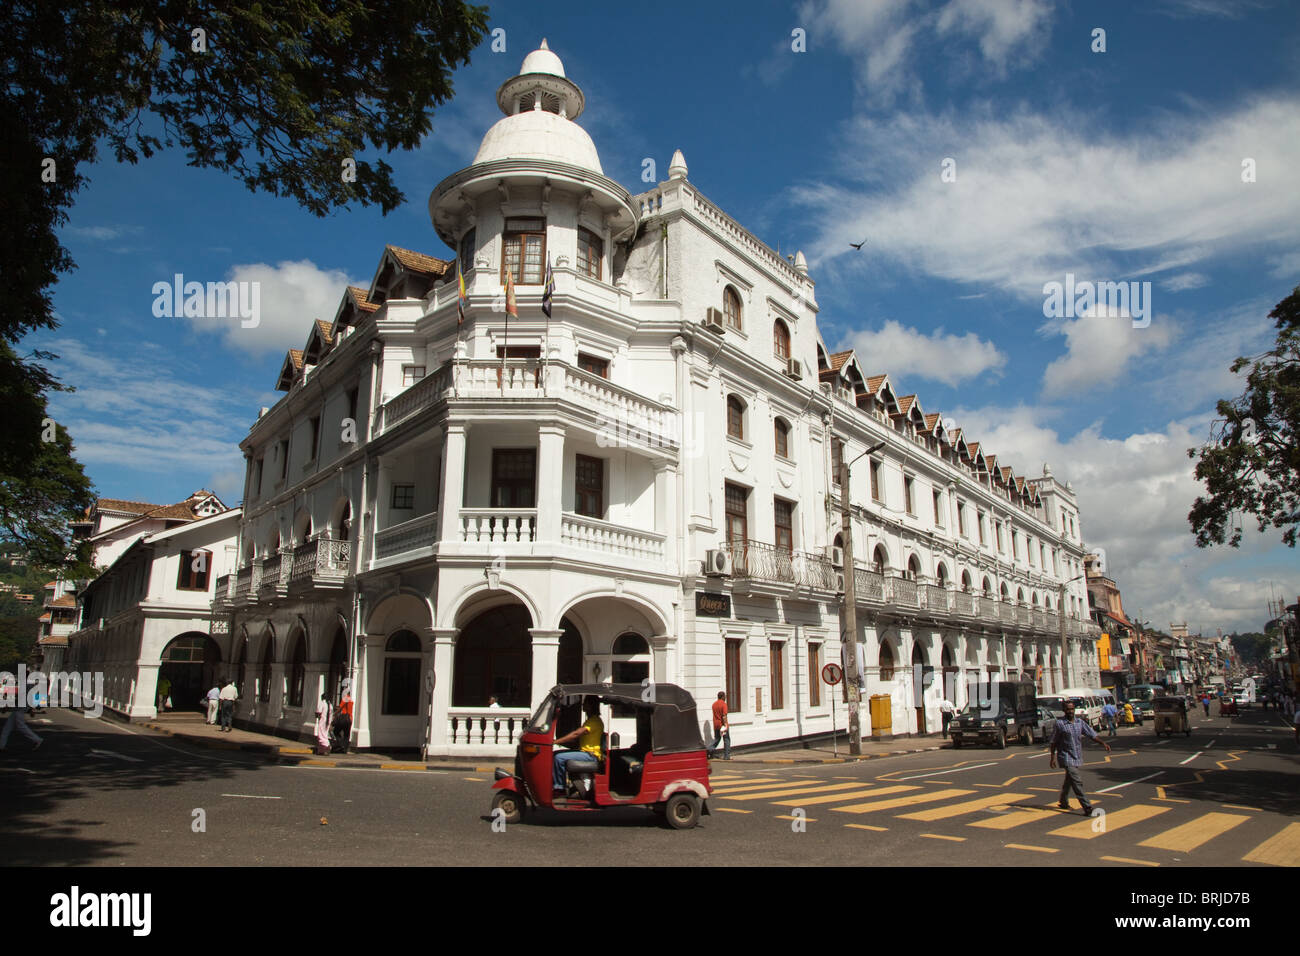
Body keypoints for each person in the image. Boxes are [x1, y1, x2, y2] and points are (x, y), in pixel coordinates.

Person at [1050, 699, 1111, 815]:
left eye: (1072, 709)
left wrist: (1103, 743)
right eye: (1068, 709)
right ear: (1064, 710)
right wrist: (1052, 757)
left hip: (1076, 756)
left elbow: (1091, 734)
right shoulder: (1059, 724)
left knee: (1069, 781)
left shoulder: (1079, 722)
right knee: (1077, 781)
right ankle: (1087, 808)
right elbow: (1053, 741)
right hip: (1066, 756)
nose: (1070, 711)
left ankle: (1063, 801)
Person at [552, 696, 602, 794]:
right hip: (585, 752)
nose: (583, 705)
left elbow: (576, 734)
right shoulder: (590, 720)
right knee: (555, 754)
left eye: (585, 703)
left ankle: (560, 787)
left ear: (591, 706)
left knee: (559, 758)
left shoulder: (594, 721)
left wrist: (556, 741)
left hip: (590, 755)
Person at [707, 691, 730, 760]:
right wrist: (725, 725)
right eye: (725, 696)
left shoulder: (714, 704)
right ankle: (726, 756)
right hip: (722, 725)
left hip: (716, 725)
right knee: (726, 739)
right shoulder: (724, 704)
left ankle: (709, 750)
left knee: (717, 739)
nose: (725, 697)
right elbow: (724, 716)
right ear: (723, 697)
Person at [331, 684, 353, 754]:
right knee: (347, 734)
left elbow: (340, 708)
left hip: (344, 717)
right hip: (349, 718)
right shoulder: (351, 699)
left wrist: (334, 714)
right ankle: (345, 749)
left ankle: (340, 744)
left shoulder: (345, 698)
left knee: (336, 731)